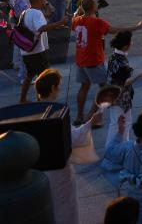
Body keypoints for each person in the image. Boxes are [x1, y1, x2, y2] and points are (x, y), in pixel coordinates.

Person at [34, 68, 106, 224]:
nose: (59, 89)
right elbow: (74, 138)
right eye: (58, 86)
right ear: (53, 88)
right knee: (65, 208)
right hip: (58, 171)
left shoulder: (33, 111)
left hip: (39, 170)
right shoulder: (57, 112)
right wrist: (91, 122)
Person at [72, 0, 142, 125]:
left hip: (80, 60)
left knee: (84, 87)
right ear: (93, 7)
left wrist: (80, 10)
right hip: (93, 61)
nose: (97, 2)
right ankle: (92, 117)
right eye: (95, 1)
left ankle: (79, 116)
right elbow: (116, 30)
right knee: (105, 88)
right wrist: (137, 27)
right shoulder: (97, 22)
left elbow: (75, 19)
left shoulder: (76, 20)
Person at [103, 30, 142, 165]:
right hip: (121, 99)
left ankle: (121, 149)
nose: (132, 43)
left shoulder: (113, 56)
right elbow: (124, 82)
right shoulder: (121, 62)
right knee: (120, 124)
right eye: (130, 42)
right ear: (125, 46)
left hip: (114, 97)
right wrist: (139, 75)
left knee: (119, 123)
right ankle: (113, 152)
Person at [18, 0, 68, 104]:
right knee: (45, 78)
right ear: (39, 0)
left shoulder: (25, 12)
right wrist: (60, 23)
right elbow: (41, 28)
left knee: (30, 75)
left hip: (26, 51)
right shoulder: (37, 13)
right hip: (37, 51)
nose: (45, 0)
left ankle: (23, 99)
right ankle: (43, 102)